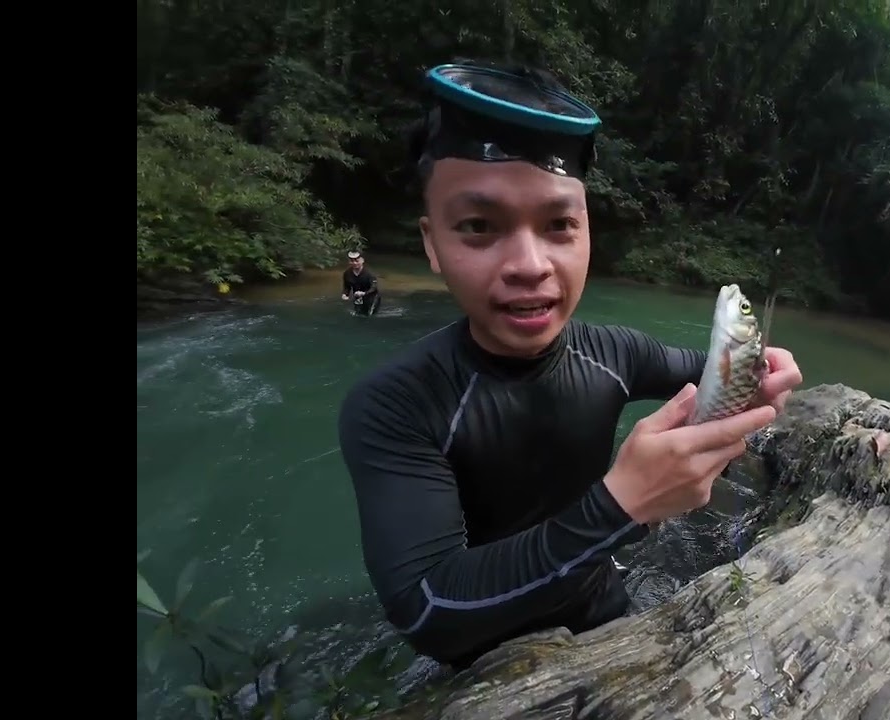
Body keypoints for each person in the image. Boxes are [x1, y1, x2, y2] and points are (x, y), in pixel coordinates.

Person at [337, 61, 804, 670]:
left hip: (607, 620)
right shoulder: (393, 403)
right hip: (484, 671)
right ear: (431, 243)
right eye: (479, 226)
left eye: (559, 224)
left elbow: (718, 368)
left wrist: (765, 375)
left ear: (587, 231)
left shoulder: (617, 353)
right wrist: (622, 505)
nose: (529, 264)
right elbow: (427, 612)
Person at [341, 251, 381, 316]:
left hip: (372, 298)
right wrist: (345, 294)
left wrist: (364, 293)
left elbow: (374, 287)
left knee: (369, 315)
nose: (354, 263)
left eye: (357, 261)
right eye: (352, 261)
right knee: (358, 314)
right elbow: (347, 286)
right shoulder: (347, 273)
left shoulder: (369, 273)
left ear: (362, 260)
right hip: (358, 297)